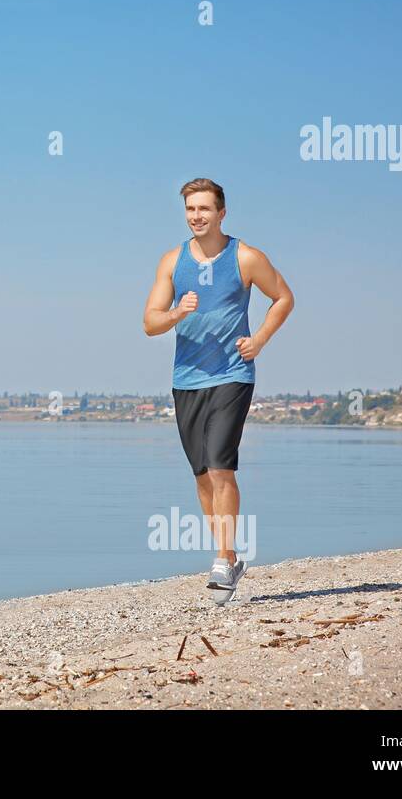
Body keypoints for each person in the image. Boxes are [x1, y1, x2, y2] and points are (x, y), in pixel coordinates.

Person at [142, 178, 294, 601]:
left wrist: (260, 339)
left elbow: (283, 297)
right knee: (202, 477)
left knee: (220, 466)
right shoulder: (172, 262)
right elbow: (149, 322)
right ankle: (230, 557)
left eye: (204, 209)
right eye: (190, 209)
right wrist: (177, 313)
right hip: (186, 380)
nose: (196, 216)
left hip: (232, 374)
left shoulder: (245, 257)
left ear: (221, 213)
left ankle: (224, 561)